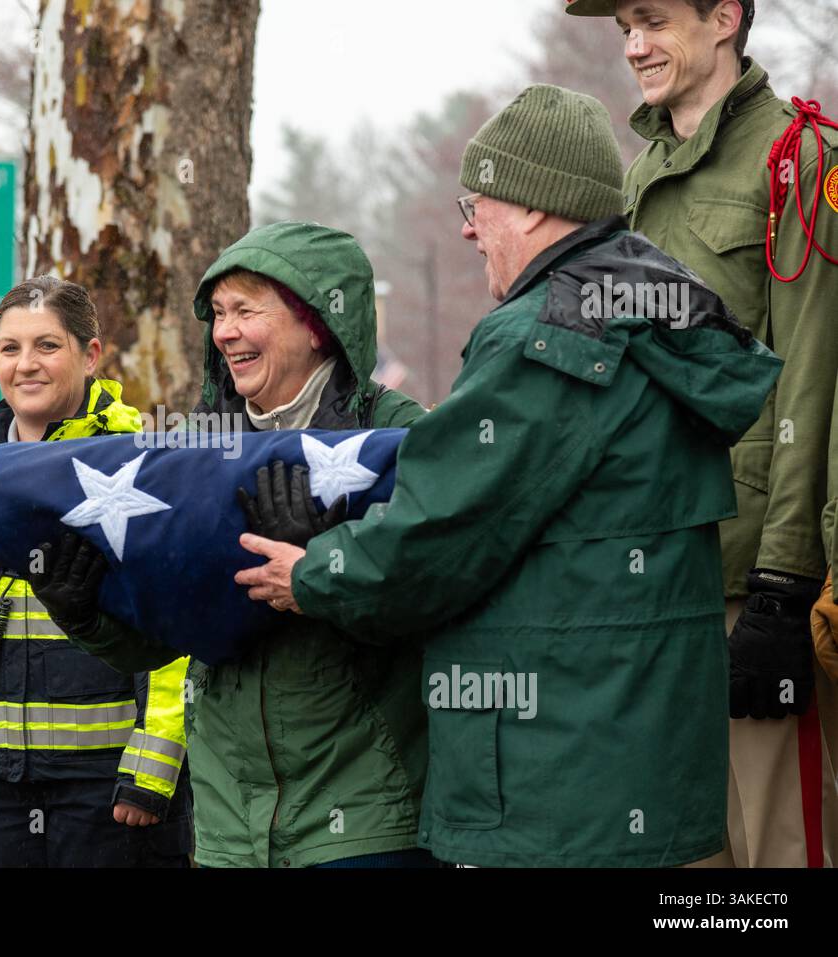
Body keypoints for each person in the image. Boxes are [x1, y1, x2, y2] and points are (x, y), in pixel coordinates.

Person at [237, 85, 782, 867]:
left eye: (478, 202)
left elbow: (442, 526)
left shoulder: (547, 334)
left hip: (552, 781)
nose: (466, 226)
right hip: (638, 767)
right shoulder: (650, 311)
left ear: (532, 208)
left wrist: (314, 571)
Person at [36, 222, 431, 868]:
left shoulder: (398, 433)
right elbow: (163, 632)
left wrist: (324, 560)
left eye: (247, 309)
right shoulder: (193, 451)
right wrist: (88, 612)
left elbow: (430, 589)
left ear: (316, 325)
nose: (224, 332)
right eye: (218, 313)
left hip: (365, 825)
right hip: (227, 834)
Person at [567, 0, 838, 868]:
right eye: (624, 30)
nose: (635, 45)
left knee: (782, 854)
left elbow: (816, 376)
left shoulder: (798, 160)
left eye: (653, 20)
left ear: (725, 16)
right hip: (661, 580)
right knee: (689, 871)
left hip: (747, 578)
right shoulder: (639, 177)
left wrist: (783, 587)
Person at [0, 276, 193, 868]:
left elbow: (180, 636)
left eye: (47, 345)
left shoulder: (146, 467)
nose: (26, 364)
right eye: (10, 348)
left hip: (114, 793)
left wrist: (154, 768)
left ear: (91, 354)